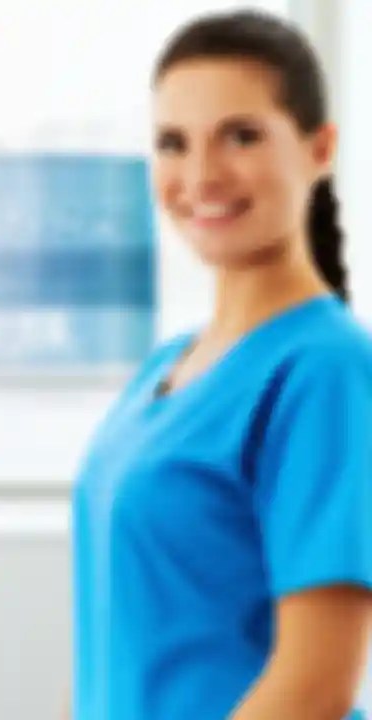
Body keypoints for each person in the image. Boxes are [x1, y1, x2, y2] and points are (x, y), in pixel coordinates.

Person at [72, 10, 372, 720]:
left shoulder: (325, 370)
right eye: (173, 143)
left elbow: (312, 689)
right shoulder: (164, 368)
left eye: (240, 136)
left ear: (319, 148)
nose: (202, 175)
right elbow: (118, 648)